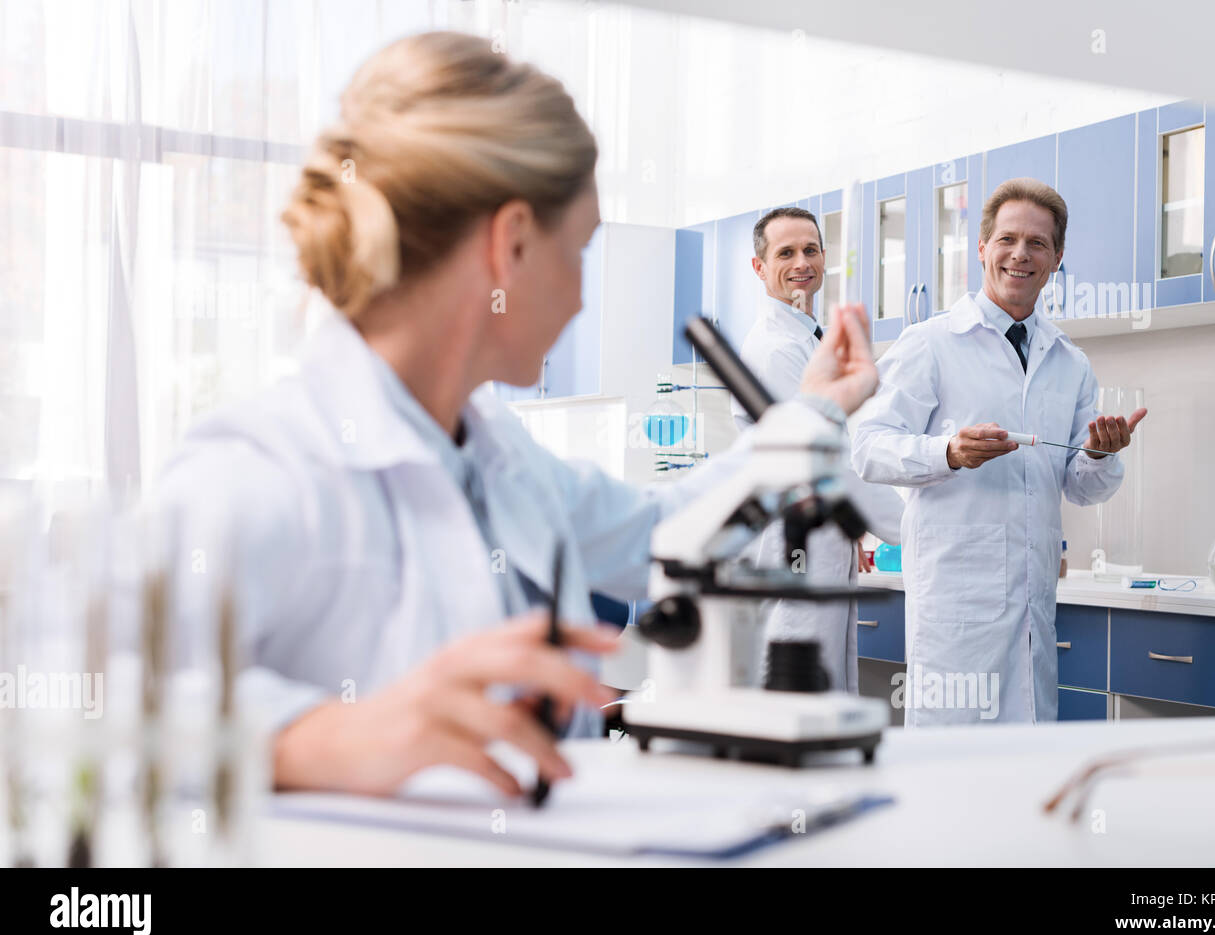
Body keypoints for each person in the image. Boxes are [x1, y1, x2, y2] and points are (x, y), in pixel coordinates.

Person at [154, 32, 887, 797]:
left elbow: (664, 529)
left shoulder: (500, 453)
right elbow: (116, 705)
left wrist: (814, 411)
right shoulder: (260, 467)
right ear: (510, 245)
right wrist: (321, 736)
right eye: (578, 254)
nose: (578, 296)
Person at [852, 178, 1147, 725]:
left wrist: (1102, 455)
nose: (1021, 254)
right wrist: (948, 452)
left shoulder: (1069, 361)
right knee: (952, 771)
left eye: (1038, 243)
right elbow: (868, 448)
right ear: (982, 248)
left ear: (1057, 257)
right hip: (955, 609)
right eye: (1007, 239)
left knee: (1023, 769)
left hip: (1034, 606)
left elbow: (1080, 487)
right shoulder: (931, 342)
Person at [731, 207, 902, 692]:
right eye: (785, 252)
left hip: (817, 539)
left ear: (825, 257)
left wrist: (858, 534)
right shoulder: (776, 349)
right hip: (794, 545)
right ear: (759, 266)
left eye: (810, 250)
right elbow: (826, 456)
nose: (801, 262)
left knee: (820, 679)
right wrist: (908, 528)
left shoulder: (808, 338)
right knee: (799, 686)